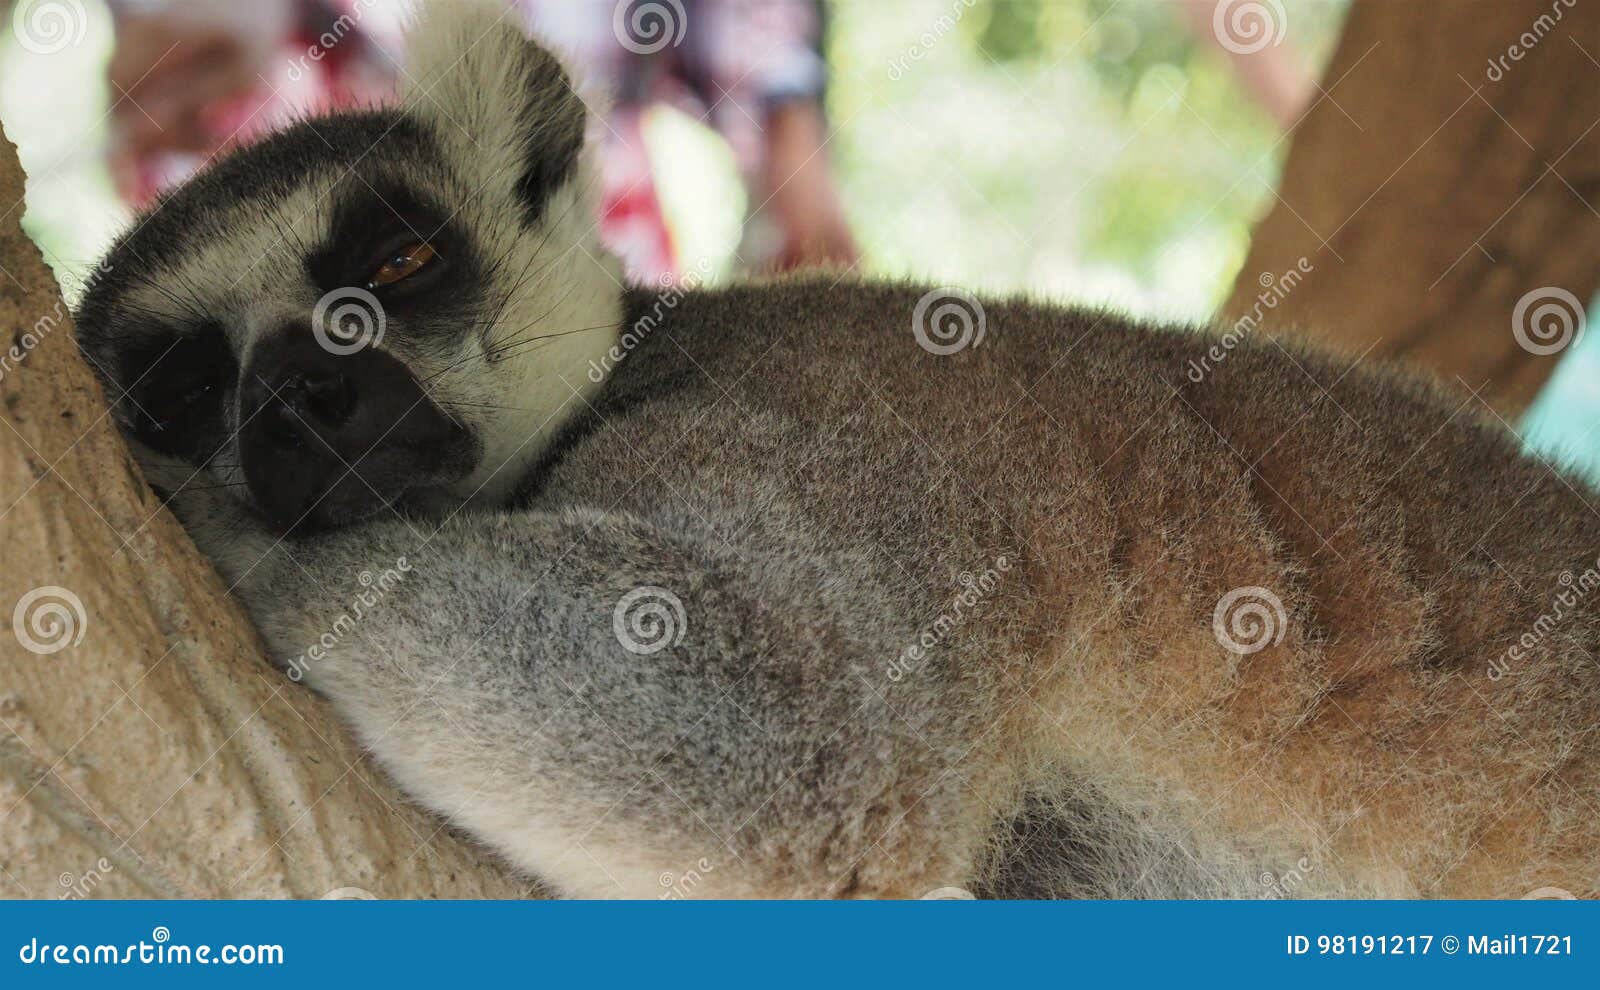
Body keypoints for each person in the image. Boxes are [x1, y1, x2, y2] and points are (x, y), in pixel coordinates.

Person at [103, 0, 857, 281]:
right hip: (318, 250)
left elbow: (749, 37)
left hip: (593, 254)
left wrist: (793, 158)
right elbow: (174, 77)